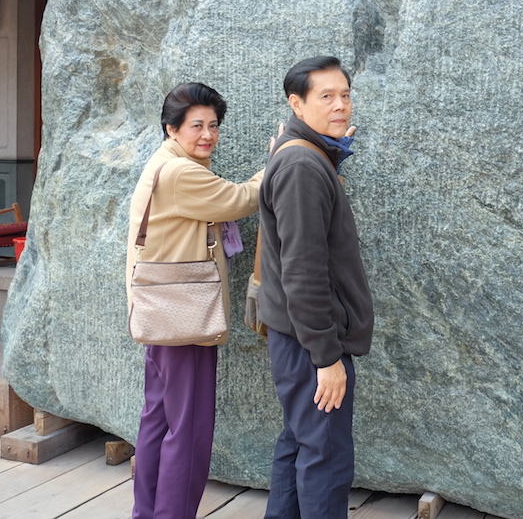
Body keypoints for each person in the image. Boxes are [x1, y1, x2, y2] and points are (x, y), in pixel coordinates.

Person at [126, 82, 264, 519]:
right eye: (196, 126)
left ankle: (147, 513)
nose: (207, 134)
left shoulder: (164, 163)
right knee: (189, 428)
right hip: (184, 314)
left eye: (214, 125)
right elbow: (240, 199)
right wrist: (276, 162)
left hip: (162, 312)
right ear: (171, 128)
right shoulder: (184, 173)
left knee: (158, 420)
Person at [258, 55, 374, 519]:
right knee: (324, 458)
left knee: (300, 442)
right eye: (326, 96)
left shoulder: (301, 152)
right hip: (312, 340)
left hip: (298, 334)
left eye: (345, 95)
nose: (340, 105)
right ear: (297, 104)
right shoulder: (303, 167)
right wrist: (326, 357)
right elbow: (302, 270)